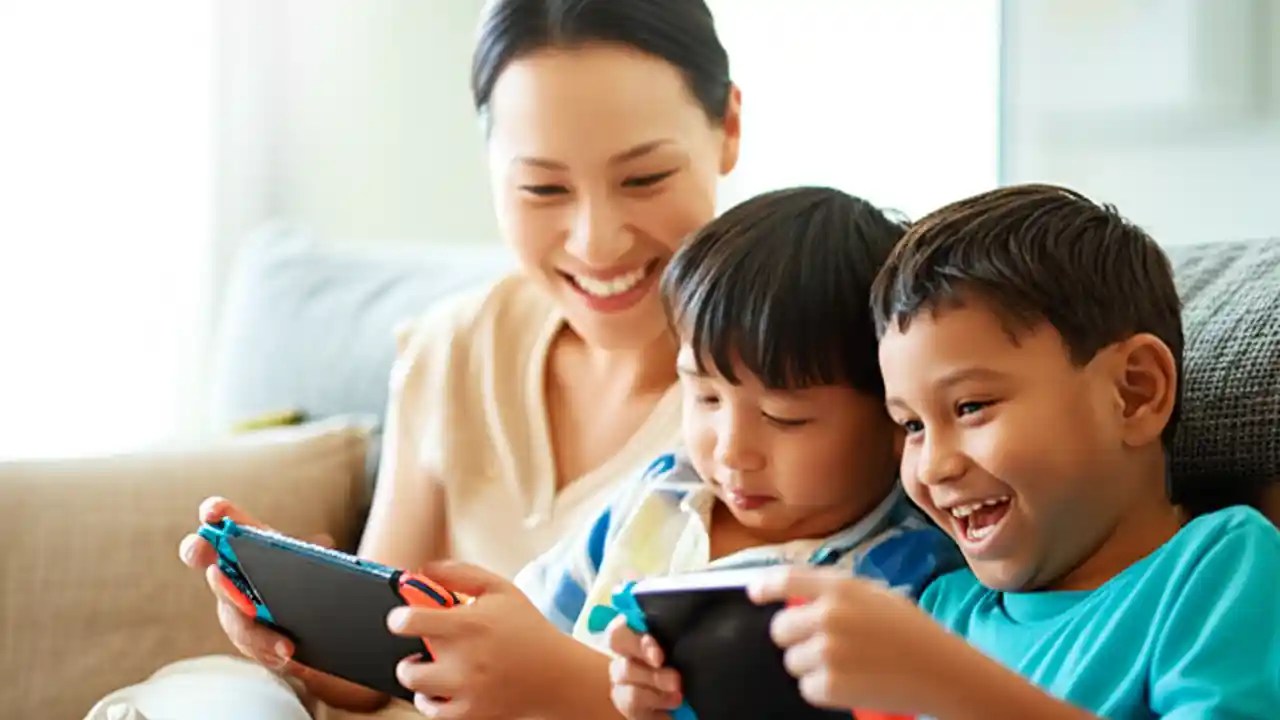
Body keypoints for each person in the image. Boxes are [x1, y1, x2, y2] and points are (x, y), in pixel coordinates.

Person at [87, 0, 741, 718]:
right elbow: (375, 677)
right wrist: (298, 625)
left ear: (728, 129)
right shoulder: (453, 346)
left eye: (643, 179)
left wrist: (554, 680)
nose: (596, 241)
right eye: (543, 188)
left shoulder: (785, 390)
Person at [745, 185, 1280, 718]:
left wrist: (949, 683)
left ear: (1133, 393)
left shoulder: (1220, 566)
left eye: (971, 406)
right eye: (910, 425)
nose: (933, 465)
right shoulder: (943, 609)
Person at [524, 186, 961, 719]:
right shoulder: (663, 492)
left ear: (894, 417)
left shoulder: (908, 583)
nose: (732, 451)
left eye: (784, 418)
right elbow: (535, 626)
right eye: (705, 397)